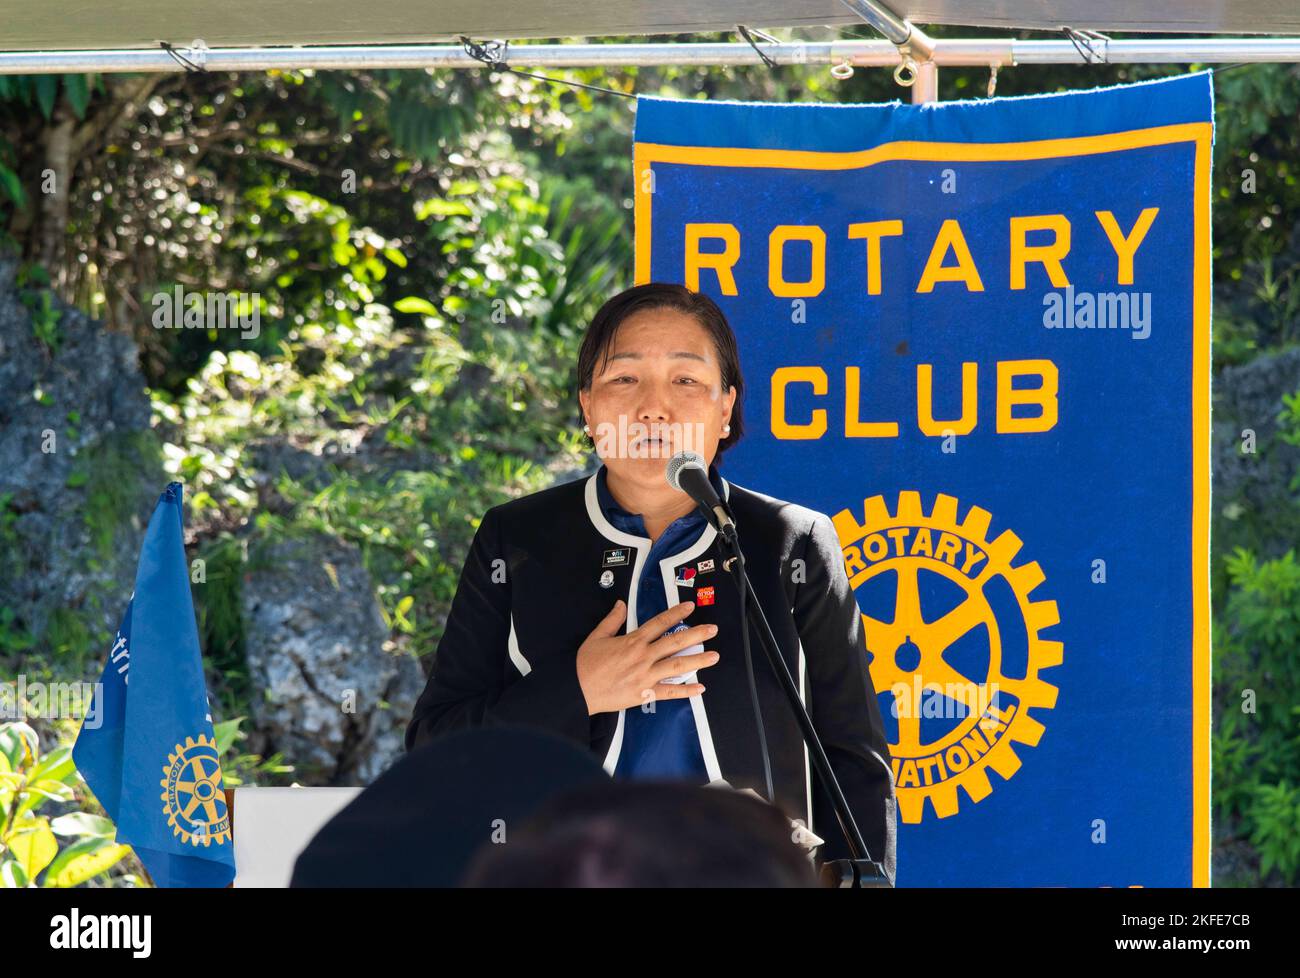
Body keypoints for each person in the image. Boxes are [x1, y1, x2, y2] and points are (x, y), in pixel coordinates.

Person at [405, 282, 896, 882]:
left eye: (686, 380)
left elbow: (852, 757)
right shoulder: (517, 539)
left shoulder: (791, 541)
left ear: (725, 409)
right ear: (588, 408)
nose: (653, 408)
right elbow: (436, 747)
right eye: (624, 378)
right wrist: (579, 689)